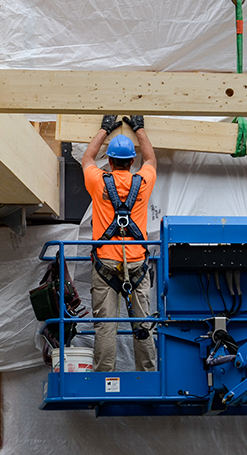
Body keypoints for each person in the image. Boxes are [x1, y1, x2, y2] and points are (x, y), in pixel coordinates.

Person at [82, 114, 157, 372]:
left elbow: (87, 159)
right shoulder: (144, 182)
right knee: (142, 324)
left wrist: (104, 130)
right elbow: (151, 160)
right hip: (136, 262)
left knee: (106, 325)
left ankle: (105, 378)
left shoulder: (97, 181)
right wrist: (140, 130)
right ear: (131, 161)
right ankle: (147, 374)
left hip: (106, 263)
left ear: (110, 161)